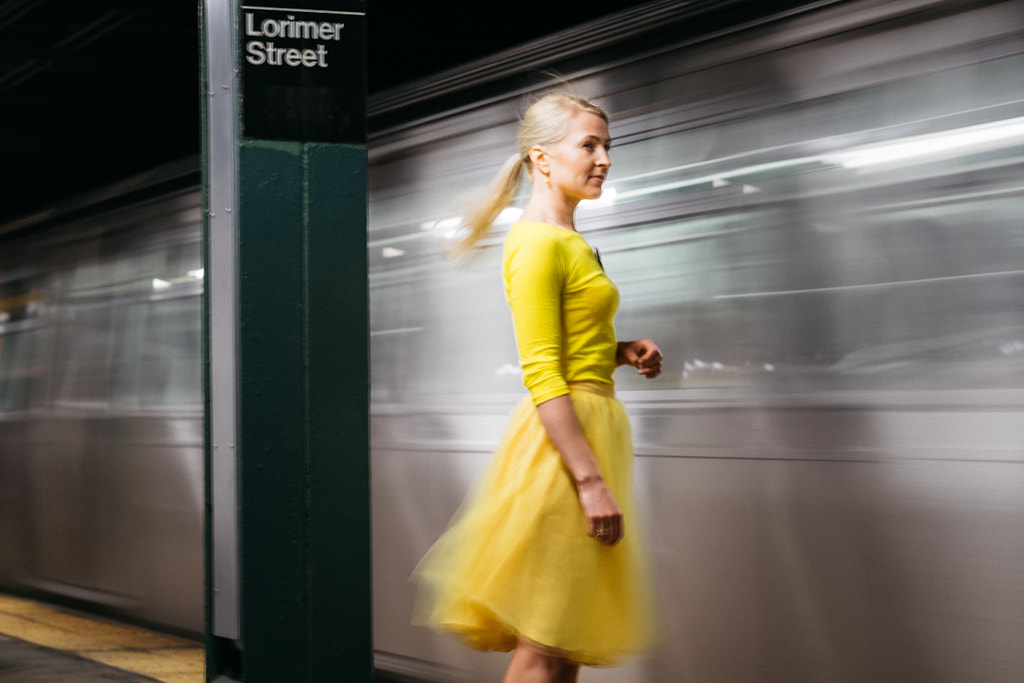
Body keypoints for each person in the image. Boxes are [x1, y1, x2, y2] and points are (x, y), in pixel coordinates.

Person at [413, 92, 662, 682]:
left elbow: (573, 346)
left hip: (587, 432)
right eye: (589, 145)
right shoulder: (535, 243)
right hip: (563, 453)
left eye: (607, 146)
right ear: (542, 159)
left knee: (565, 640)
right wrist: (591, 482)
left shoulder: (567, 239)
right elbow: (543, 371)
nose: (603, 158)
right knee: (546, 645)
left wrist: (620, 352)